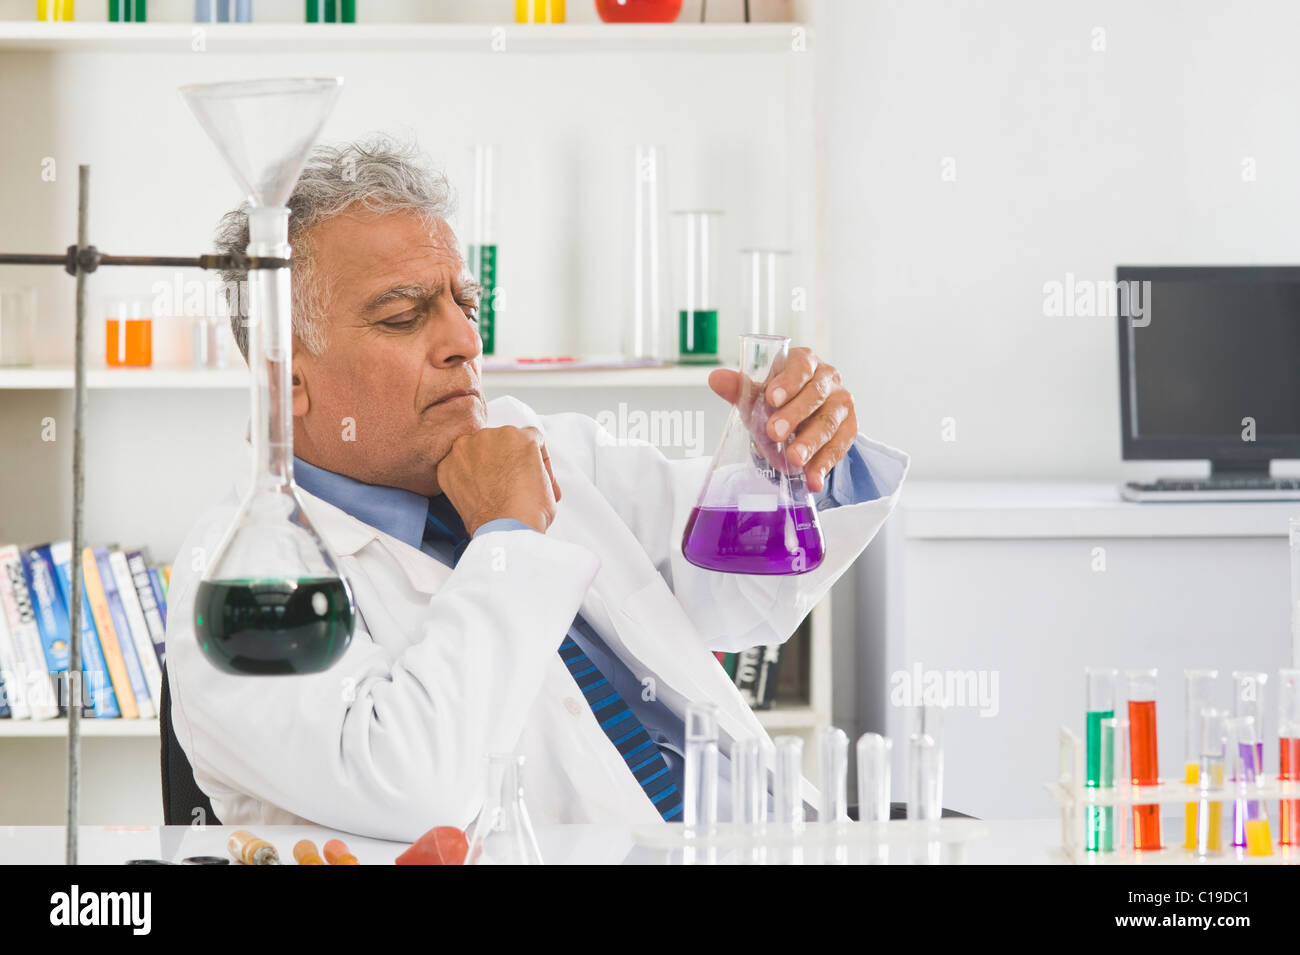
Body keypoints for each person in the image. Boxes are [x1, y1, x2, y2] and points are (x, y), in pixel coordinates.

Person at [163, 136, 909, 842]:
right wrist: (508, 538)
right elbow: (418, 790)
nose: (464, 341)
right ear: (285, 376)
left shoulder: (544, 446)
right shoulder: (240, 580)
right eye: (403, 315)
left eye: (465, 304)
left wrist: (796, 455)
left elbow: (738, 589)